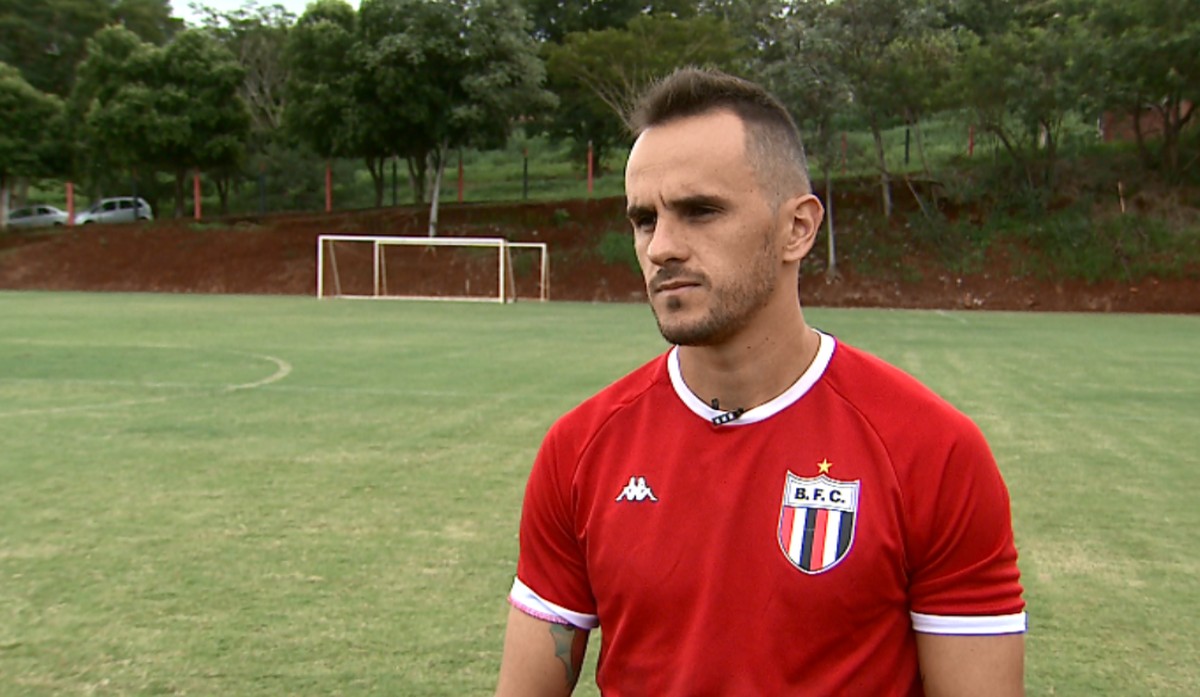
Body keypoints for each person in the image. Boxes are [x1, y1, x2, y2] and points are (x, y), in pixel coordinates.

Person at [494, 68, 1026, 696]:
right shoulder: (580, 449)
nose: (662, 246)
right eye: (644, 219)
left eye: (700, 211)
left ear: (797, 228)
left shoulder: (932, 452)